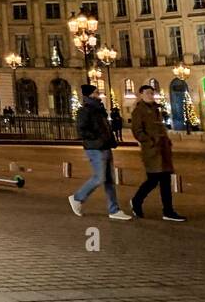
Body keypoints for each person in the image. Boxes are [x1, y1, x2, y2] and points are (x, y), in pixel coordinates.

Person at [68, 85, 132, 219]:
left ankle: (114, 210)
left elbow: (105, 127)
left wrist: (108, 140)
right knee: (99, 177)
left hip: (104, 146)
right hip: (95, 148)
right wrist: (98, 138)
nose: (99, 94)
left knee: (109, 179)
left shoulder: (98, 109)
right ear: (90, 95)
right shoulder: (85, 111)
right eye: (96, 92)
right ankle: (77, 198)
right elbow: (81, 130)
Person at [130, 84, 186, 221]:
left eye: (152, 93)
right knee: (152, 181)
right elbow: (137, 131)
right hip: (152, 151)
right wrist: (150, 142)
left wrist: (166, 141)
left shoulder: (156, 109)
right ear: (141, 95)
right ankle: (136, 201)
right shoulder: (139, 111)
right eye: (148, 93)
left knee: (165, 181)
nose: (151, 95)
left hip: (163, 150)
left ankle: (168, 211)